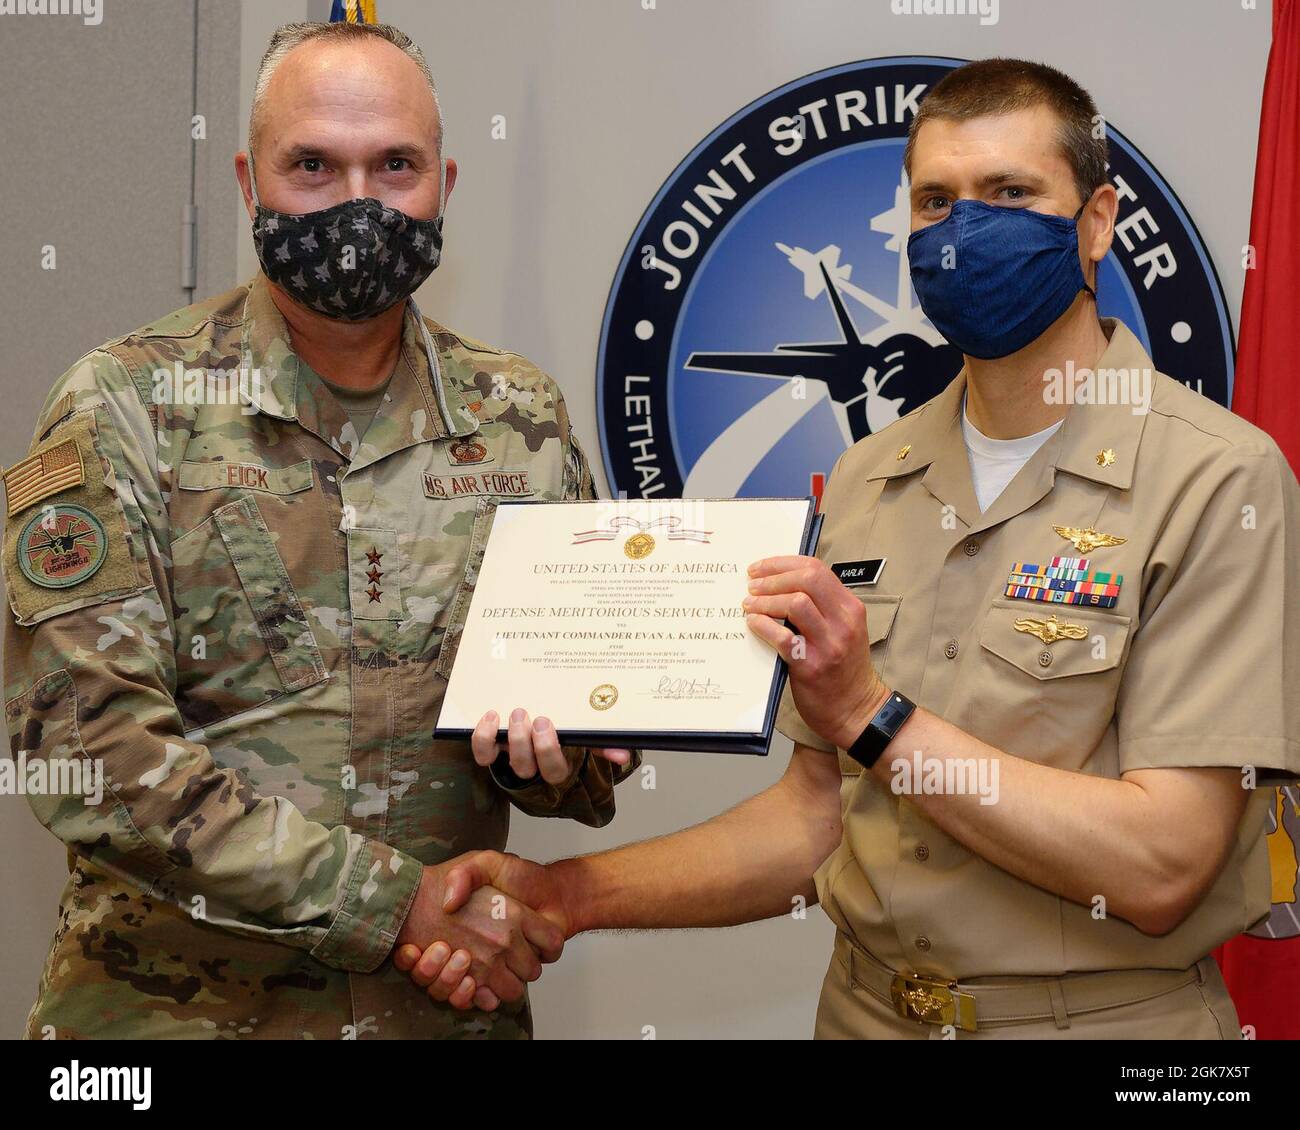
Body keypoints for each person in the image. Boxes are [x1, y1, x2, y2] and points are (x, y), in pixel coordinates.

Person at [397, 57, 1300, 1038]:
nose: (965, 229)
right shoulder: (872, 475)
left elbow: (1161, 864)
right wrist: (563, 893)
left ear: (1094, 221)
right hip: (864, 1013)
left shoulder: (1217, 479)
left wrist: (875, 712)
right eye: (936, 201)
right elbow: (820, 816)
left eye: (1010, 194)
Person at [2, 19, 634, 1041]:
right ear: (252, 184)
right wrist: (399, 906)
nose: (357, 203)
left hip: (445, 1017)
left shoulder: (521, 415)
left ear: (445, 184)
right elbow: (93, 758)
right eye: (313, 166)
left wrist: (553, 758)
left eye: (395, 165)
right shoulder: (124, 402)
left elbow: (587, 744)